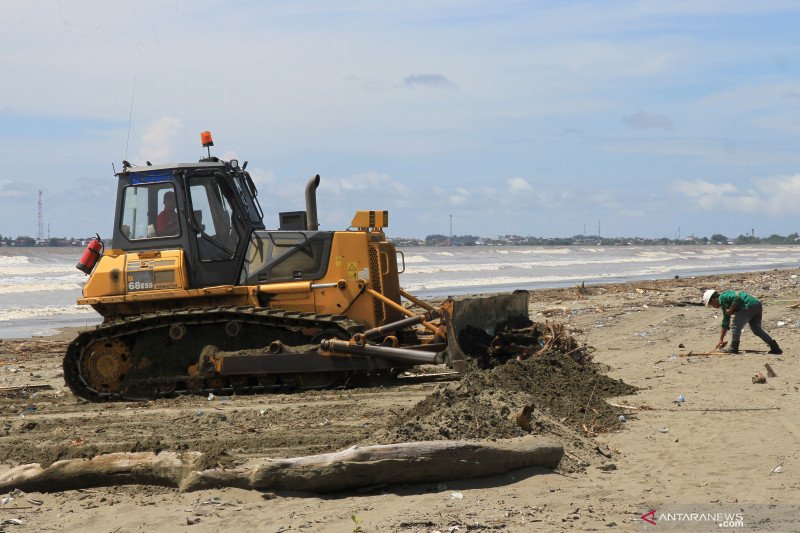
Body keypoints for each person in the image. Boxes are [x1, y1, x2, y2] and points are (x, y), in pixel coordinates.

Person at [703, 289, 782, 354]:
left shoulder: (723, 297)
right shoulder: (724, 304)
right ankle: (775, 347)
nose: (713, 307)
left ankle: (734, 347)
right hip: (756, 304)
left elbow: (737, 298)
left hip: (748, 305)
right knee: (756, 329)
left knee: (735, 326)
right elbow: (725, 322)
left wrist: (730, 310)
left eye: (711, 305)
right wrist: (721, 339)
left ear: (713, 300)